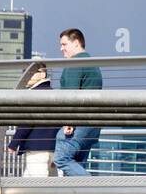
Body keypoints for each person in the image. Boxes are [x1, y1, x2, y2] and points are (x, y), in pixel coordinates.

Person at [53, 29, 104, 176]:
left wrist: (68, 121)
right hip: (93, 126)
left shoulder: (74, 64)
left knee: (61, 158)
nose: (61, 48)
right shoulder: (92, 63)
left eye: (64, 44)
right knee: (77, 164)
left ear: (76, 43)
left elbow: (70, 96)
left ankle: (94, 190)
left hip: (78, 124)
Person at [8, 69, 60, 176]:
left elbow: (27, 121)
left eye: (30, 73)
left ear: (42, 74)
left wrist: (14, 143)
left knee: (38, 185)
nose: (26, 75)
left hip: (36, 148)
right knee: (33, 183)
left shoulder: (33, 95)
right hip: (54, 148)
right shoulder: (56, 94)